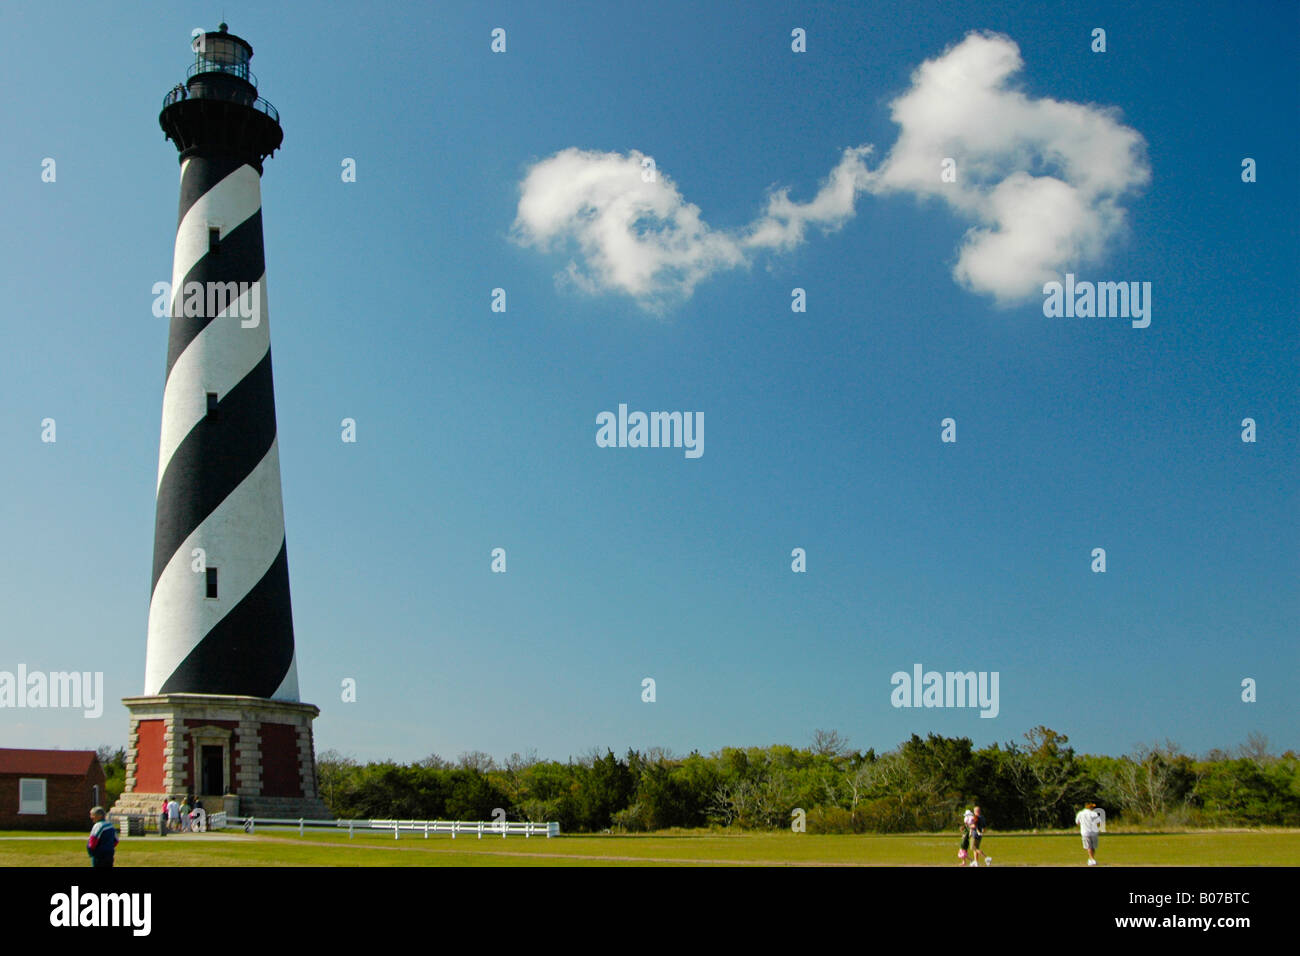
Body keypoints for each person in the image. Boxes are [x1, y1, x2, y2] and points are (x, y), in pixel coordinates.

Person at [1076, 801, 1104, 865]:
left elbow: (1077, 822)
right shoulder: (1094, 813)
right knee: (1093, 847)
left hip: (1085, 832)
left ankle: (1091, 859)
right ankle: (1092, 859)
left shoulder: (1080, 813)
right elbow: (1099, 822)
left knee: (1089, 846)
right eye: (1092, 807)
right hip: (1094, 832)